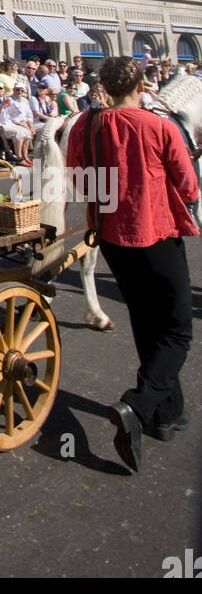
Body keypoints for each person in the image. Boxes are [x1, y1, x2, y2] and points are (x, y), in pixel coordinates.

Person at [67, 56, 199, 472]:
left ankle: (167, 413)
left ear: (103, 86)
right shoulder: (159, 126)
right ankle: (138, 405)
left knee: (146, 321)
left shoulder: (84, 126)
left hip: (112, 236)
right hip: (156, 232)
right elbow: (190, 186)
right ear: (141, 85)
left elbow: (79, 179)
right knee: (177, 329)